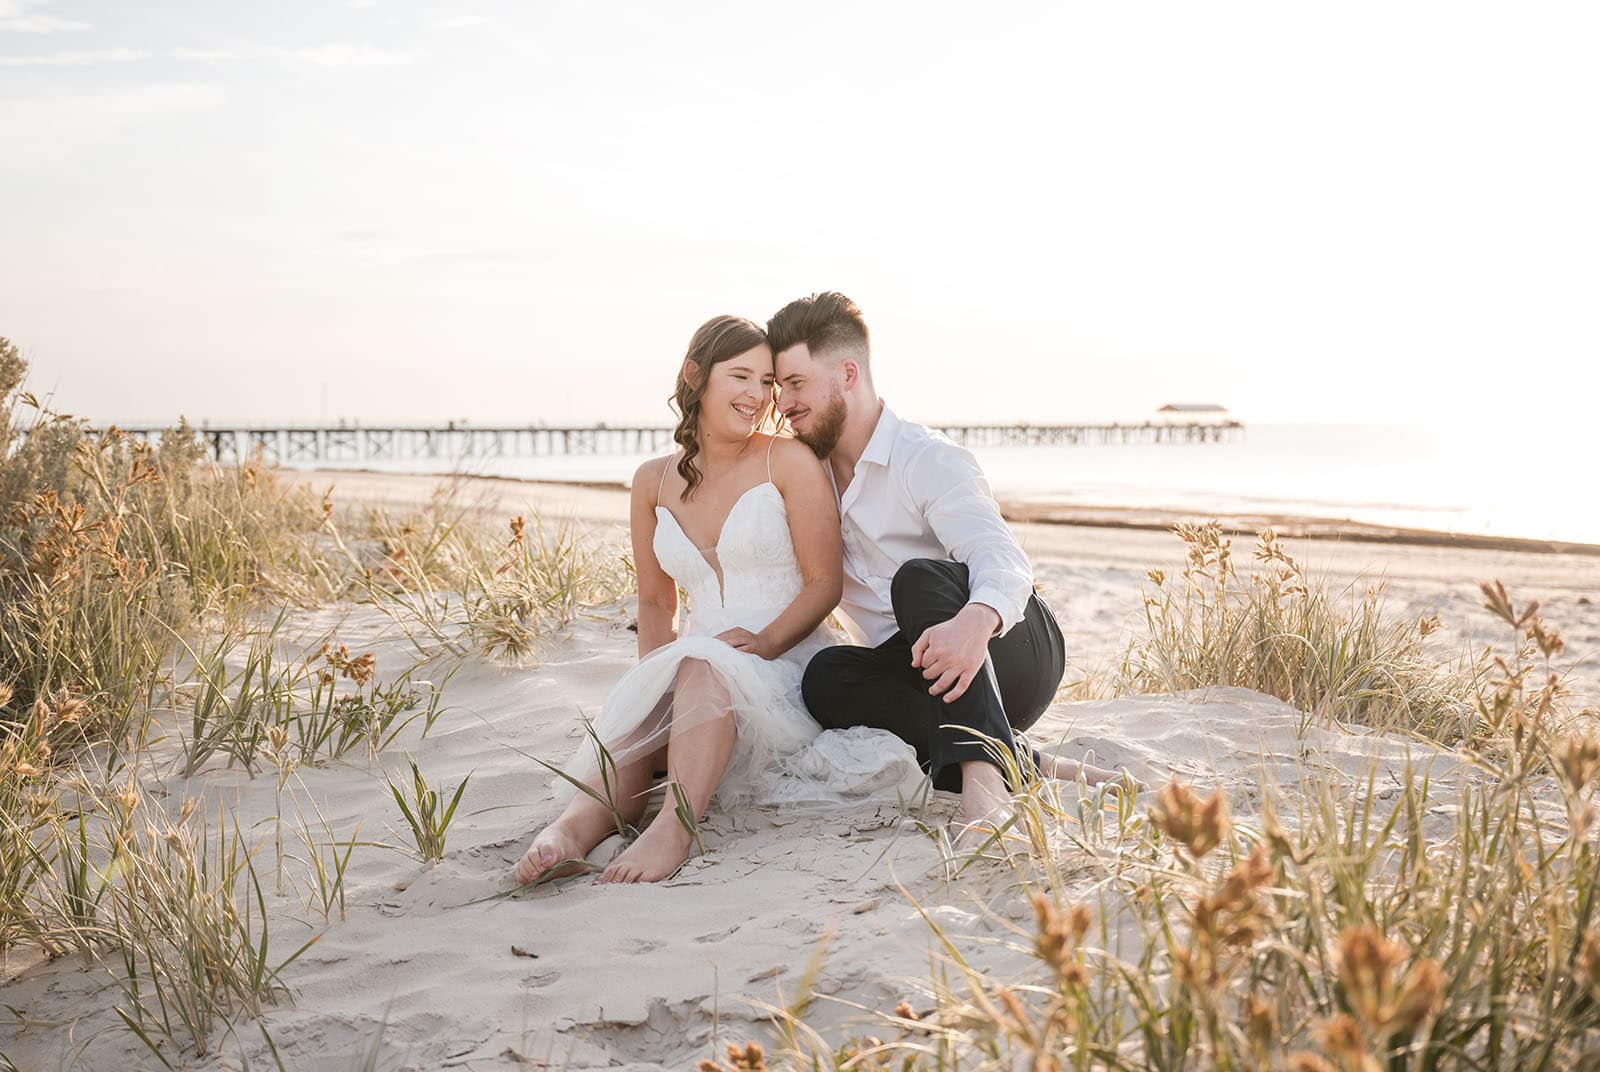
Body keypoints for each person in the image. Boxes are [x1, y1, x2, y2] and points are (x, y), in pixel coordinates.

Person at [515, 315, 918, 886]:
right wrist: (649, 692)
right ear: (695, 375)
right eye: (741, 377)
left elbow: (824, 583)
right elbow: (656, 605)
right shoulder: (651, 480)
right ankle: (575, 828)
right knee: (657, 700)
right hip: (697, 666)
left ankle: (674, 829)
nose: (758, 396)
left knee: (704, 663)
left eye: (768, 383)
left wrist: (767, 640)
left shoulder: (788, 460)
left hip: (785, 660)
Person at [768, 292, 1132, 836]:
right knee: (826, 677)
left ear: (847, 373)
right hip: (926, 674)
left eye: (795, 384)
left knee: (919, 578)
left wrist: (973, 623)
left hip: (1008, 647)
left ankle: (982, 782)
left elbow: (1002, 560)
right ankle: (1026, 760)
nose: (784, 403)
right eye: (778, 389)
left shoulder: (926, 457)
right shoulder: (806, 479)